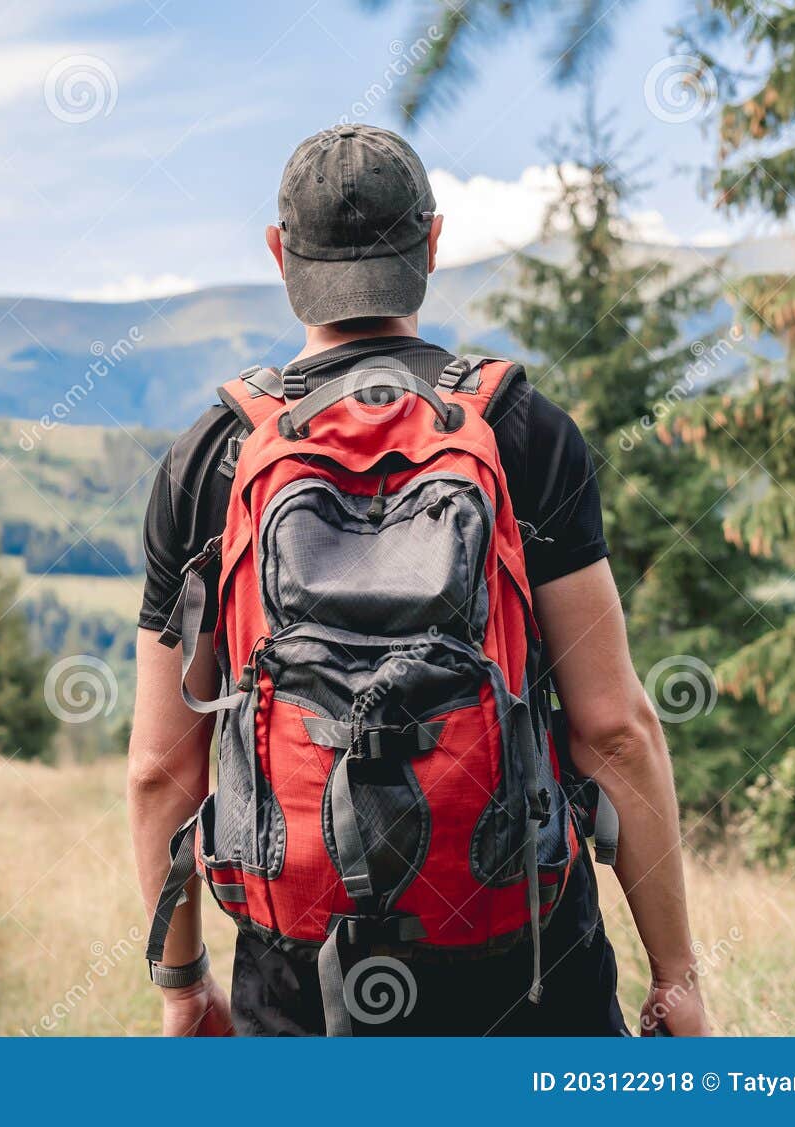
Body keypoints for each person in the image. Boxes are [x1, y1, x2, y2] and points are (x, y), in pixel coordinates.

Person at [127, 124, 708, 1037]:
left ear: (281, 257)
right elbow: (616, 732)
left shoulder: (212, 459)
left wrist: (182, 982)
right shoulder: (525, 432)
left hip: (296, 979)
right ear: (432, 243)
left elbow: (163, 769)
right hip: (524, 958)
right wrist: (676, 978)